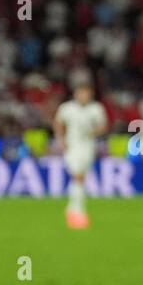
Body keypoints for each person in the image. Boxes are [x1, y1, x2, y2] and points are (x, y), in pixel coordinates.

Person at [53, 78, 107, 229]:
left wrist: (93, 131)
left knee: (81, 176)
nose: (84, 96)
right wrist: (61, 140)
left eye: (86, 93)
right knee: (77, 175)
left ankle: (72, 208)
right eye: (81, 93)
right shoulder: (67, 108)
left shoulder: (96, 108)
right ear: (76, 94)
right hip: (72, 146)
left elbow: (103, 126)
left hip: (88, 146)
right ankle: (78, 210)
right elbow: (58, 123)